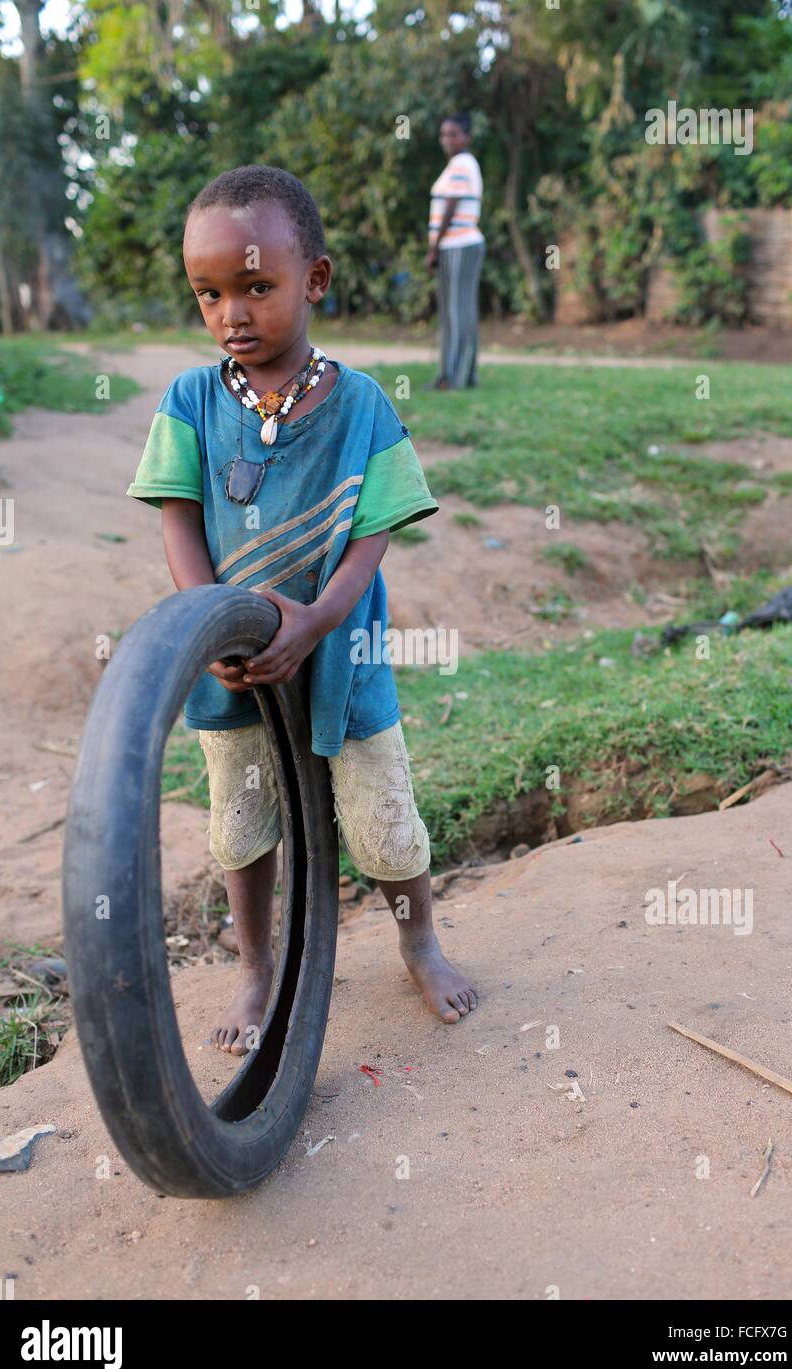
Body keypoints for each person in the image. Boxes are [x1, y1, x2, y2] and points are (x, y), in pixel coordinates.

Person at [127, 165, 478, 1051]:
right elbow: (177, 518)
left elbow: (373, 537)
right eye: (208, 294)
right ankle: (256, 970)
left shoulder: (359, 405)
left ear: (313, 281)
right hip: (232, 665)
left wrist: (318, 619)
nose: (232, 315)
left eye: (255, 287)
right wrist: (206, 619)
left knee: (384, 821)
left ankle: (420, 941)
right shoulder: (190, 403)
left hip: (341, 652)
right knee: (244, 828)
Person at [426, 113, 485, 390]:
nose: (447, 140)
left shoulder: (462, 163)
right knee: (458, 311)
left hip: (459, 244)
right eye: (444, 134)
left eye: (453, 134)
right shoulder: (457, 165)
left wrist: (434, 247)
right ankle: (460, 375)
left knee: (456, 312)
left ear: (466, 137)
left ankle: (452, 378)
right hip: (455, 245)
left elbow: (451, 204)